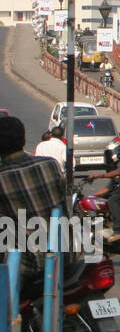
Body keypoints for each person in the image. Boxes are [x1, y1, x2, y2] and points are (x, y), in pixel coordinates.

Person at [0, 116, 67, 278]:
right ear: (23, 139)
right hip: (62, 255)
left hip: (26, 265)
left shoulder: (3, 177)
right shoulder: (50, 165)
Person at [88, 142, 120, 241]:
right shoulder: (119, 166)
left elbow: (117, 173)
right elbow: (108, 188)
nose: (109, 158)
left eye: (110, 154)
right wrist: (93, 196)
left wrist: (99, 175)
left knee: (113, 200)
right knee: (105, 199)